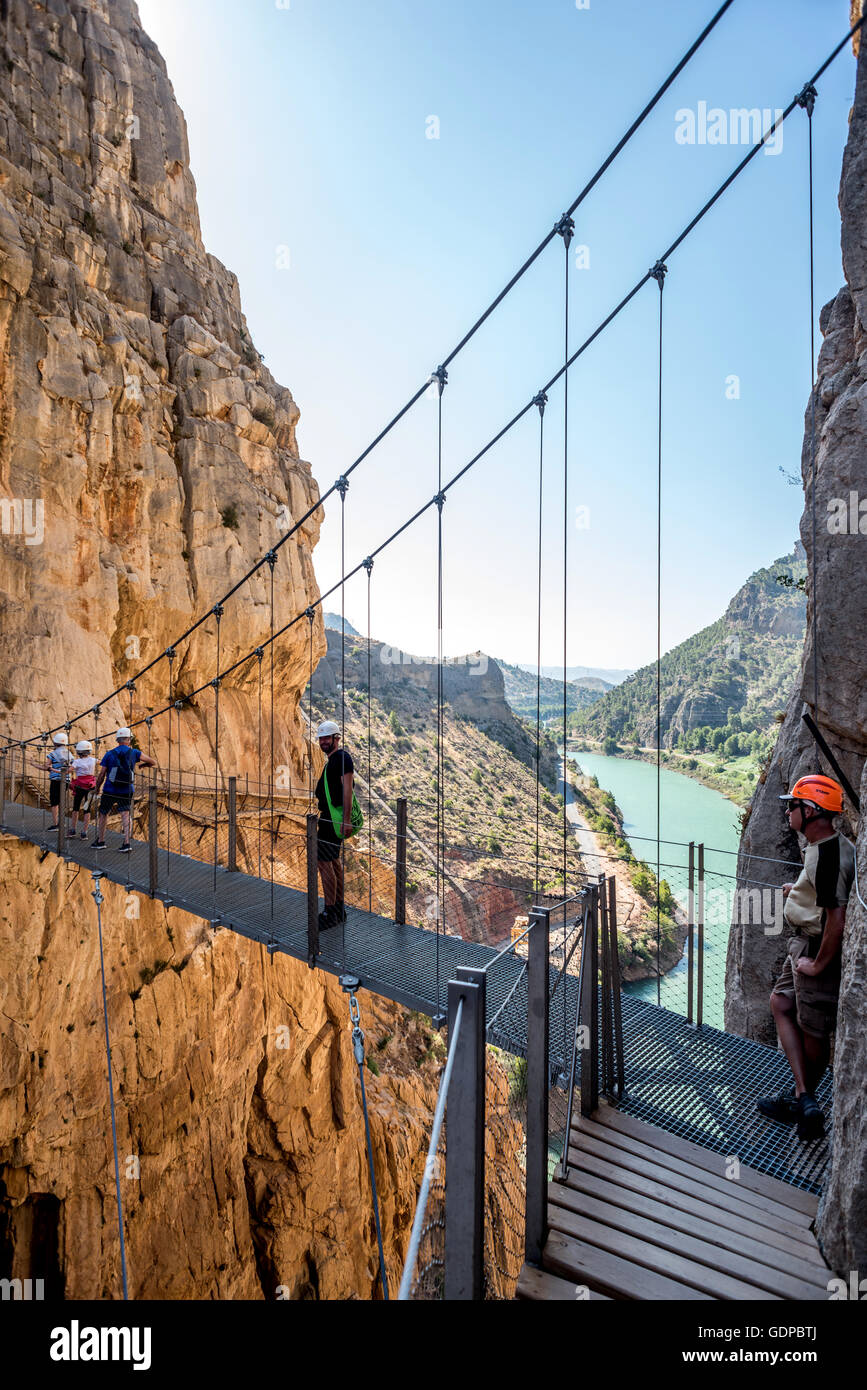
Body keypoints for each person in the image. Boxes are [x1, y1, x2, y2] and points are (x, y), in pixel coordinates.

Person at [757, 774, 854, 1142]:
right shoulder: (826, 845)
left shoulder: (827, 855)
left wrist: (818, 965)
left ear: (810, 810)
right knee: (780, 1002)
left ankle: (804, 1103)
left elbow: (837, 918)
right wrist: (796, 890)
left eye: (793, 805)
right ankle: (803, 1095)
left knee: (814, 1029)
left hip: (814, 950)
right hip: (802, 944)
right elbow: (821, 889)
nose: (787, 811)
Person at [314, 720, 354, 930]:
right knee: (333, 860)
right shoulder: (334, 760)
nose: (323, 742)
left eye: (327, 738)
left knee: (323, 863)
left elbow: (348, 789)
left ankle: (330, 911)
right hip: (331, 820)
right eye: (321, 738)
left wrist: (346, 820)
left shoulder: (342, 758)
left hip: (333, 820)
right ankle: (338, 909)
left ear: (336, 738)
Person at [92, 728, 156, 852]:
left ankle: (101, 841)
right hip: (127, 789)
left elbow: (102, 774)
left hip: (109, 789)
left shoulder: (109, 754)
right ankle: (126, 843)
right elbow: (152, 762)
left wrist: (97, 788)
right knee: (126, 815)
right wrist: (143, 765)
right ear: (129, 739)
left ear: (117, 740)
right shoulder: (135, 753)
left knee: (104, 814)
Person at [44, 732, 72, 829]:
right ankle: (62, 822)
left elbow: (47, 766)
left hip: (56, 780)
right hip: (67, 780)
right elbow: (73, 766)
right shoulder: (69, 753)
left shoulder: (52, 754)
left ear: (55, 743)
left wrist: (36, 765)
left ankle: (56, 824)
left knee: (54, 803)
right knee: (61, 802)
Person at [70, 740, 97, 840]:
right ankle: (84, 832)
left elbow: (69, 770)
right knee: (87, 809)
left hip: (80, 787)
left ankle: (73, 830)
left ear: (79, 752)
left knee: (76, 807)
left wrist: (53, 769)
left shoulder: (76, 762)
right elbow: (103, 763)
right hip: (90, 787)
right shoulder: (94, 760)